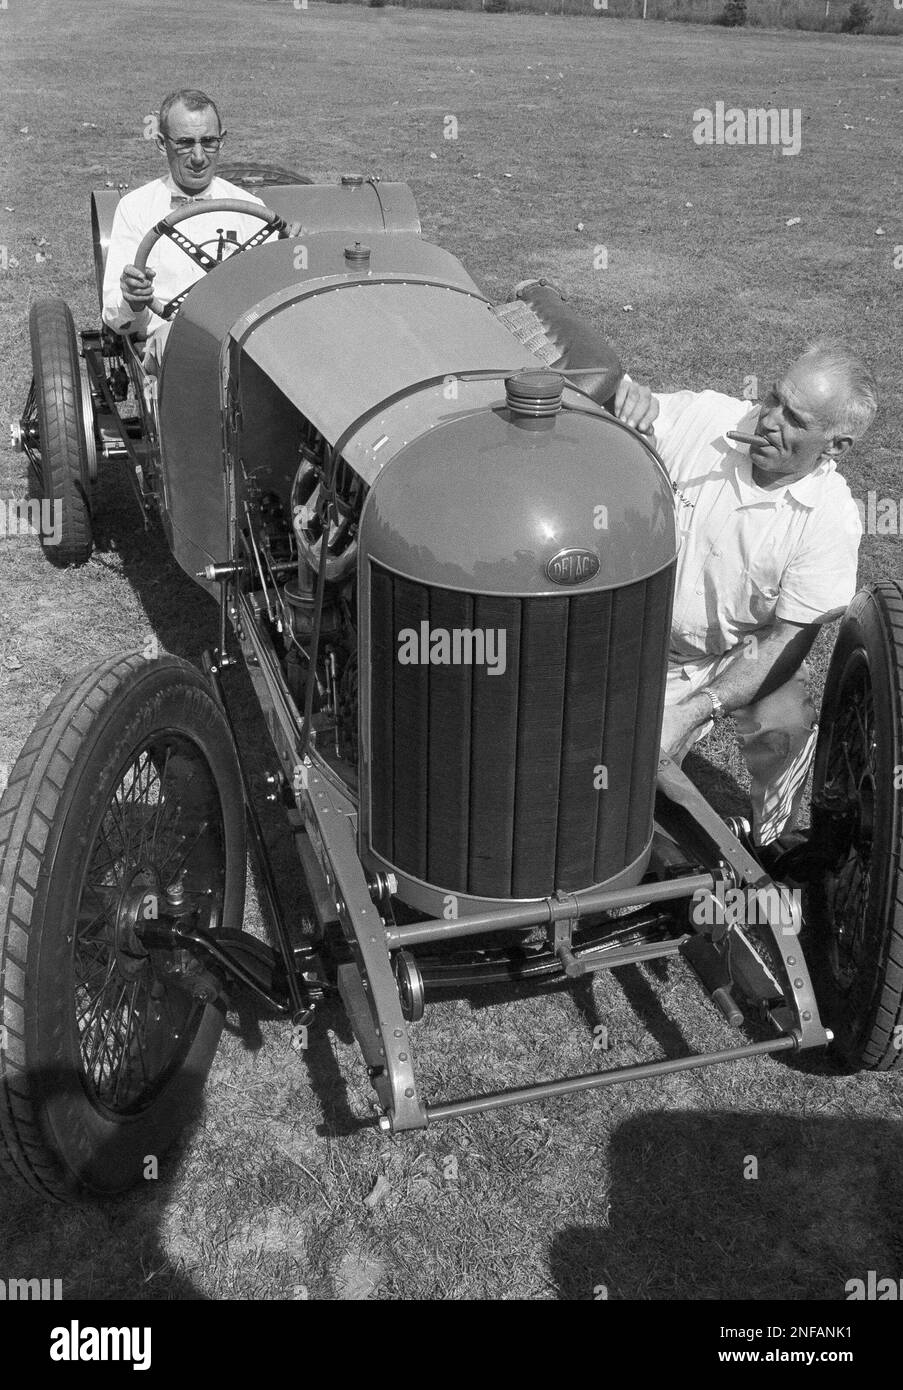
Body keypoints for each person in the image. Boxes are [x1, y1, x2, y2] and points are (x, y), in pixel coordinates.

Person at [613, 344, 877, 852]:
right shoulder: (706, 416)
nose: (769, 419)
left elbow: (787, 639)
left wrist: (694, 710)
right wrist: (630, 402)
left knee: (788, 712)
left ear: (835, 446)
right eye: (774, 398)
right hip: (625, 633)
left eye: (794, 419)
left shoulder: (829, 519)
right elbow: (624, 407)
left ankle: (771, 843)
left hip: (729, 656)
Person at [102, 89, 277, 343]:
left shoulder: (250, 208)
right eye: (185, 143)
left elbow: (270, 297)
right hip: (167, 343)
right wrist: (134, 301)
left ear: (222, 140)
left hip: (239, 341)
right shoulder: (135, 208)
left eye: (208, 142)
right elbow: (119, 320)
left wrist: (291, 253)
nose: (198, 157)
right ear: (162, 144)